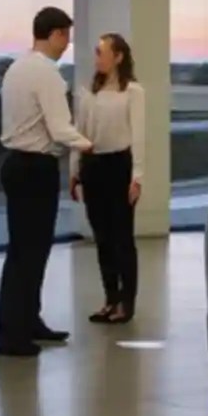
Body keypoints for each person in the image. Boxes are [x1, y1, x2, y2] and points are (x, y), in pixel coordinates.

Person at [0, 7, 93, 357]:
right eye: (65, 35)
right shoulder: (48, 74)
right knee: (30, 253)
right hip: (36, 167)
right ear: (53, 34)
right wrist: (88, 143)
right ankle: (11, 335)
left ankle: (26, 322)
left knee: (23, 250)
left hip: (16, 165)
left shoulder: (16, 69)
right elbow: (59, 128)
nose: (67, 44)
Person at [70, 33, 145, 324]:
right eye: (96, 52)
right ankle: (110, 299)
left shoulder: (133, 92)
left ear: (118, 57)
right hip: (93, 166)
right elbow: (81, 132)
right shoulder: (90, 92)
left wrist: (137, 177)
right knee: (102, 238)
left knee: (122, 239)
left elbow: (138, 136)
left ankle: (127, 303)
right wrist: (75, 171)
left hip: (119, 166)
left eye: (102, 52)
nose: (97, 58)